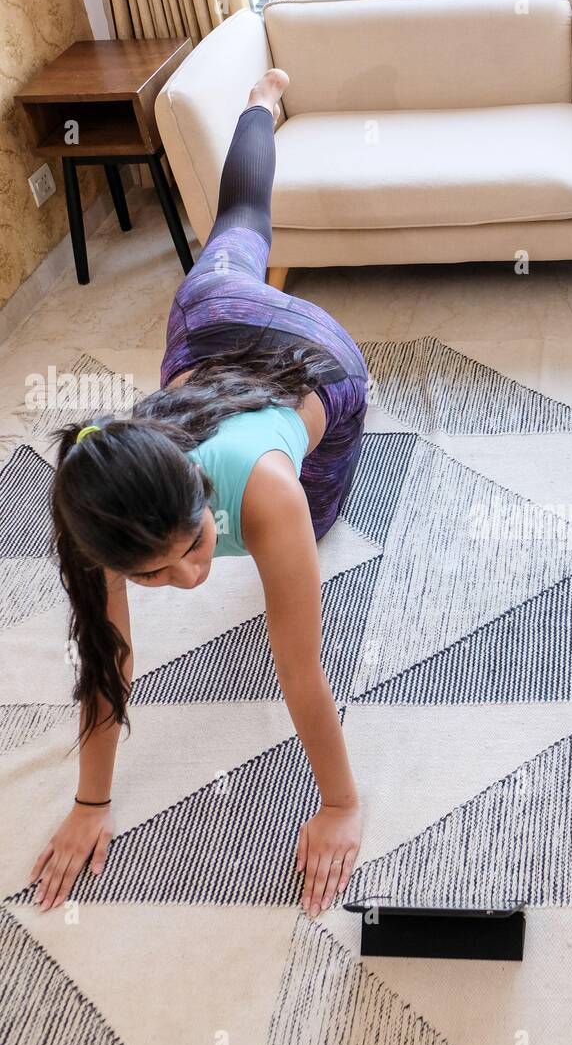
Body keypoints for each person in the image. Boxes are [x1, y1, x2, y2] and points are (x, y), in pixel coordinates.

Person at [32, 70, 369, 920]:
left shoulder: (264, 493)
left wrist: (338, 804)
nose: (188, 580)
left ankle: (264, 98)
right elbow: (105, 664)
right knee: (240, 226)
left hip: (316, 362)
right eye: (150, 576)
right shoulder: (102, 503)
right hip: (212, 317)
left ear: (201, 498)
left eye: (192, 547)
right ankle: (262, 98)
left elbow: (300, 672)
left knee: (313, 530)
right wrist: (91, 802)